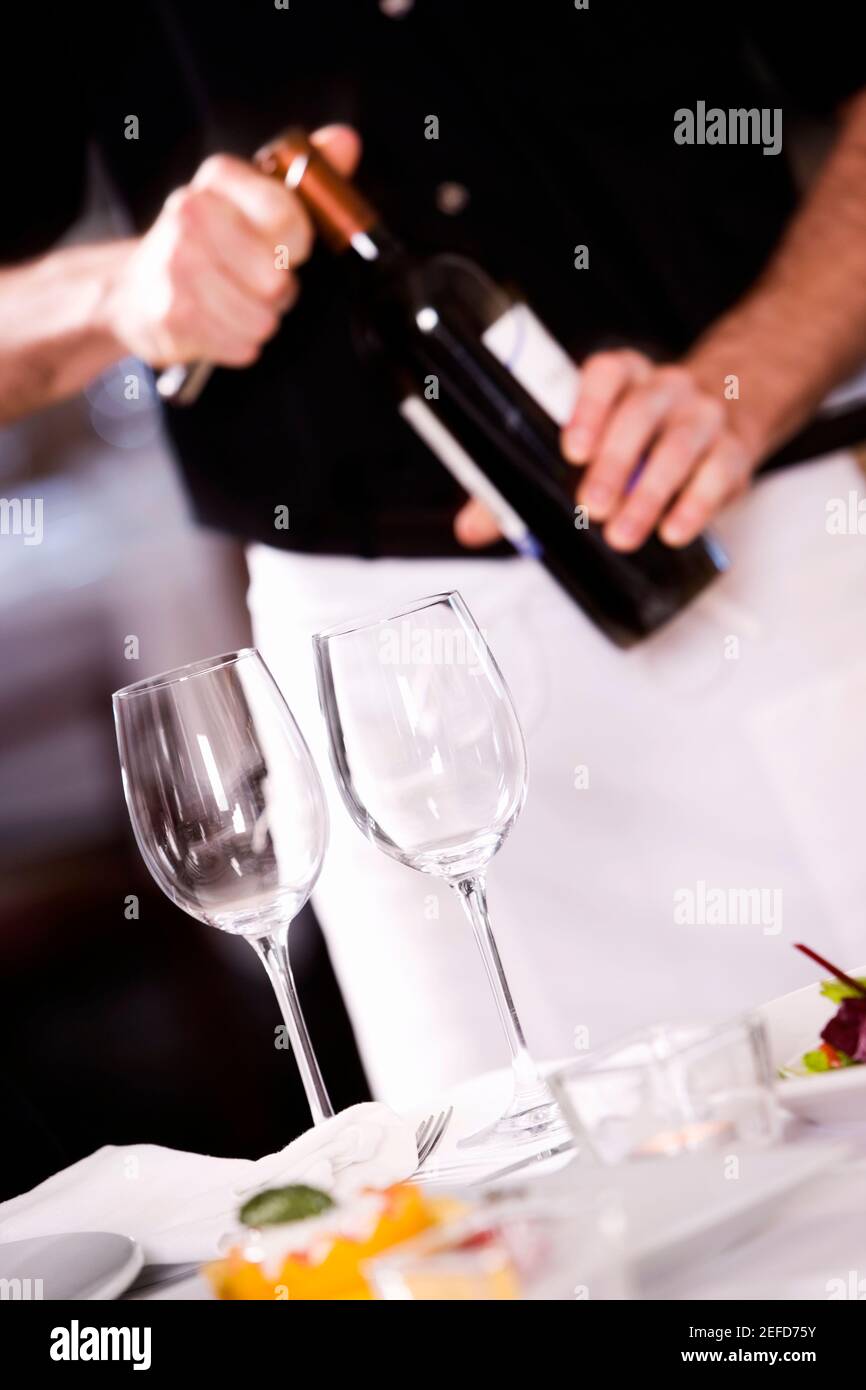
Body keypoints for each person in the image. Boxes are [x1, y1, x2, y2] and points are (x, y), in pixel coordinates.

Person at [2, 2, 866, 1107]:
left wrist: (753, 368)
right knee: (500, 1239)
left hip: (762, 547)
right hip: (379, 699)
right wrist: (118, 293)